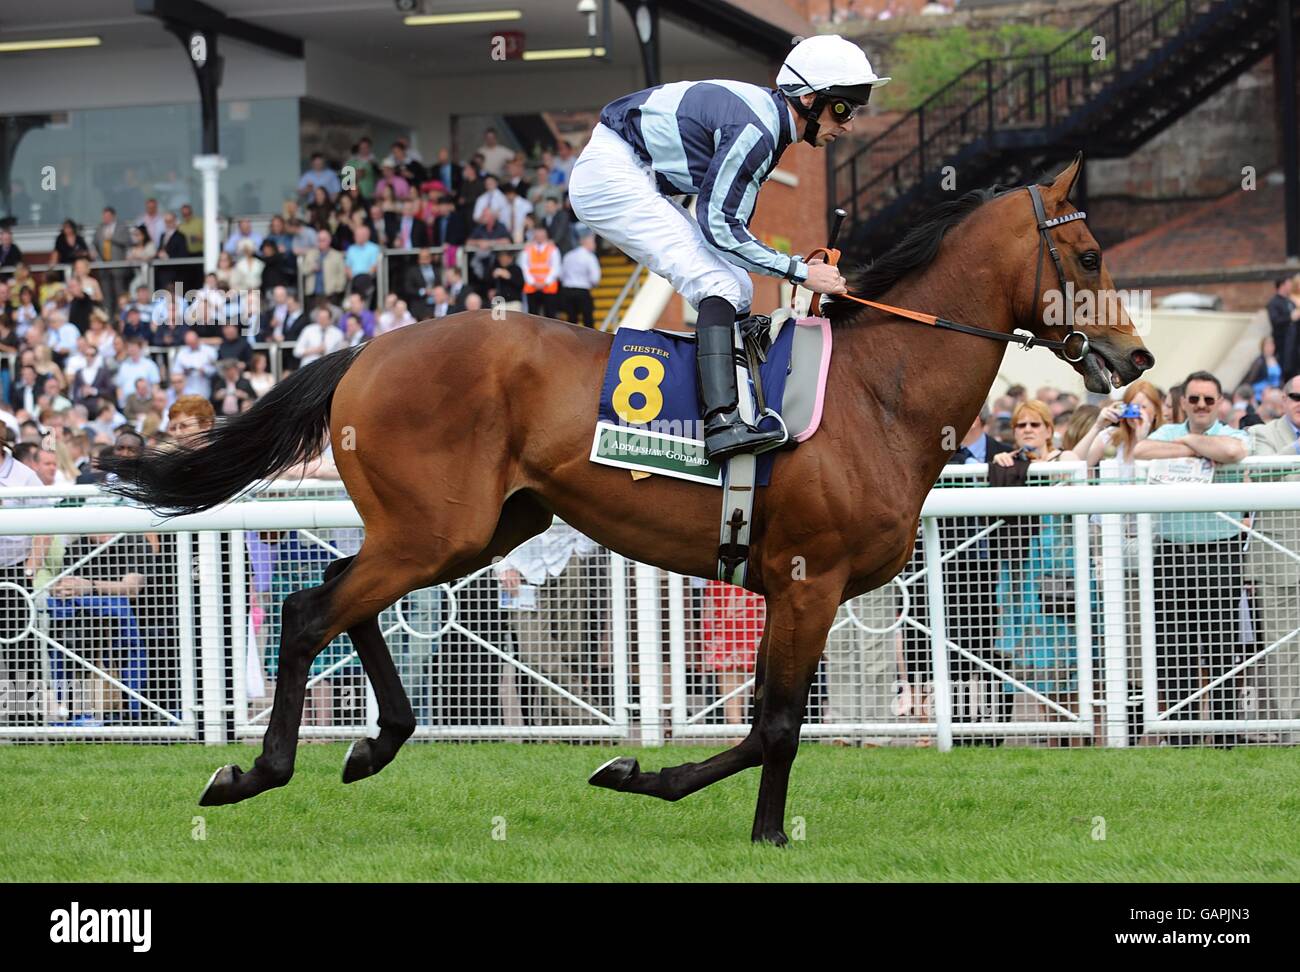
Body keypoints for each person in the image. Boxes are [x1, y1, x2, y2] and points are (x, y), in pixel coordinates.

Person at [569, 34, 880, 459]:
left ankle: (741, 398)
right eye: (842, 108)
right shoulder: (759, 130)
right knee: (718, 281)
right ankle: (720, 423)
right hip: (612, 174)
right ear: (807, 98)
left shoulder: (769, 124)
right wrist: (802, 272)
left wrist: (790, 269)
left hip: (630, 168)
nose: (847, 124)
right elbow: (720, 229)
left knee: (737, 284)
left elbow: (731, 229)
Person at [1134, 372, 1250, 746]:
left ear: (1220, 403)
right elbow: (1141, 452)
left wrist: (1186, 442)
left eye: (1208, 400)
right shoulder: (1167, 434)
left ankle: (1224, 734)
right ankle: (1181, 735)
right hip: (1171, 551)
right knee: (1173, 645)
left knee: (1220, 644)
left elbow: (1233, 452)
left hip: (1220, 551)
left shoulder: (1235, 433)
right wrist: (1199, 445)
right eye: (1195, 399)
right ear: (1183, 401)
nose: (1201, 405)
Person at [1245, 375, 1300, 741]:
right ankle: (1291, 730)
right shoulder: (1264, 434)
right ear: (1282, 399)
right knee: (1285, 651)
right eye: (1295, 395)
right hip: (1279, 562)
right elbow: (1263, 472)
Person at [560, 232, 601, 327]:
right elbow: (595, 278)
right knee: (588, 320)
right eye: (593, 242)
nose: (595, 245)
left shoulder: (569, 255)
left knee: (571, 321)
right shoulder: (590, 257)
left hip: (567, 291)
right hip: (582, 291)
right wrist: (593, 284)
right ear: (587, 243)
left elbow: (561, 275)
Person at [520, 225, 561, 317]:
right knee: (532, 317)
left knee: (550, 317)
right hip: (532, 287)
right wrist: (532, 282)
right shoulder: (527, 249)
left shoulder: (553, 249)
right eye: (537, 233)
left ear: (546, 235)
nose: (539, 236)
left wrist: (545, 282)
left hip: (548, 287)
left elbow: (556, 267)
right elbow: (524, 267)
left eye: (541, 233)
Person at [1266, 276, 1300, 381]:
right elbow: (1275, 321)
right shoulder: (1273, 303)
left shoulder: (1290, 302)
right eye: (1288, 284)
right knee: (1286, 373)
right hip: (1283, 346)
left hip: (1295, 345)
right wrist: (1290, 317)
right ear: (1282, 285)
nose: (1291, 286)